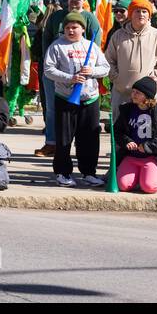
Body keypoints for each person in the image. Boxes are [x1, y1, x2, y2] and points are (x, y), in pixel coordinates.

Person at [44, 12, 112, 187]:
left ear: (82, 29)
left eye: (75, 27)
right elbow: (48, 70)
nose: (71, 30)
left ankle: (89, 172)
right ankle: (62, 172)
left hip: (90, 99)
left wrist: (92, 72)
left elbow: (105, 68)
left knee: (89, 138)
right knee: (64, 138)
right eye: (67, 28)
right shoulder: (57, 46)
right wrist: (70, 78)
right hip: (65, 98)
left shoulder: (91, 46)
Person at [104, 0, 157, 122]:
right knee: (122, 134)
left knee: (150, 133)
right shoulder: (117, 35)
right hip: (122, 93)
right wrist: (117, 78)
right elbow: (108, 61)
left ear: (149, 15)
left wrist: (155, 77)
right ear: (130, 14)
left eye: (144, 11)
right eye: (137, 11)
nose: (141, 14)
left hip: (149, 95)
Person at [115, 77, 157, 194]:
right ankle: (139, 174)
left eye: (138, 93)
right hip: (131, 156)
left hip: (153, 157)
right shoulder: (127, 109)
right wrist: (126, 141)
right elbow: (117, 131)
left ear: (147, 96)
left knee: (149, 187)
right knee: (123, 185)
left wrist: (148, 146)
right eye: (133, 91)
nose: (133, 94)